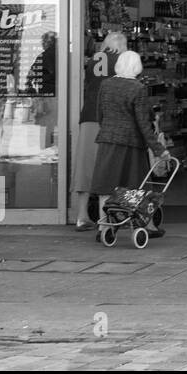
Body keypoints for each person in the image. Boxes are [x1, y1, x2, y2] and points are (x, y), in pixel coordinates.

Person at [90, 51, 171, 239]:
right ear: (137, 67)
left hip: (108, 141)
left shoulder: (106, 84)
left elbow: (99, 114)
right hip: (131, 145)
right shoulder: (138, 88)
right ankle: (143, 226)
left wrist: (108, 131)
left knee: (106, 185)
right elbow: (143, 124)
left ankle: (104, 227)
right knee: (137, 186)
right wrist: (159, 149)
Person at [73, 31, 127, 230]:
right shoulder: (121, 61)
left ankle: (82, 215)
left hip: (88, 116)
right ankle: (109, 217)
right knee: (109, 165)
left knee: (86, 165)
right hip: (110, 119)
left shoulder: (94, 60)